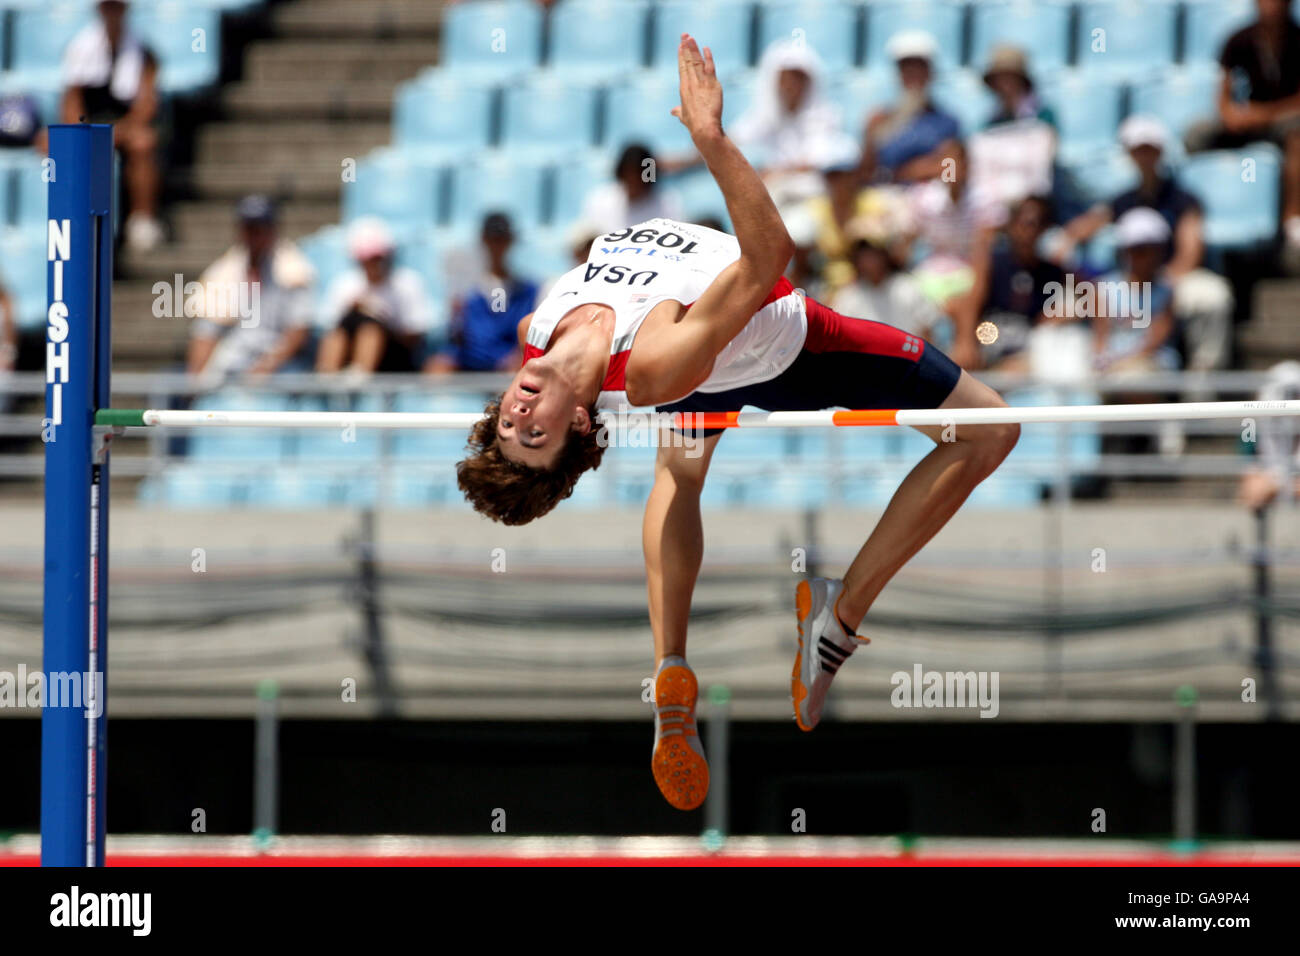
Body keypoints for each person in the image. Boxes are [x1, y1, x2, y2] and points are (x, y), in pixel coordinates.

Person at [455, 36, 1019, 812]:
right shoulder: (649, 366)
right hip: (791, 349)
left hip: (697, 367)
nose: (517, 415)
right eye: (533, 435)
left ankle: (671, 671)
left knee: (680, 468)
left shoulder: (538, 327)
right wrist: (712, 140)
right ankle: (838, 616)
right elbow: (768, 259)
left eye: (506, 425)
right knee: (990, 431)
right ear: (580, 424)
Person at [1061, 116, 1234, 372]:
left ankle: (1203, 379)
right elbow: (1084, 227)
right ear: (1129, 154)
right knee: (1064, 306)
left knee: (1213, 297)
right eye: (1138, 150)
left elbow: (1190, 253)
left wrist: (1159, 287)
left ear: (1161, 151)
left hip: (1173, 280)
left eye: (1149, 149)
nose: (1144, 156)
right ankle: (1084, 381)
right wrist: (1064, 243)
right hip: (1133, 284)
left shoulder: (1184, 199)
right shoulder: (1122, 200)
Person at [1186, 0, 1300, 264]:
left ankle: (1291, 219)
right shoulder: (1239, 39)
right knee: (1194, 135)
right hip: (1247, 121)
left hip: (1282, 119)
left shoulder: (1297, 39)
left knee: (1297, 135)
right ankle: (1195, 217)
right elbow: (1223, 95)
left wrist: (1262, 114)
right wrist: (1231, 115)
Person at [60, 0, 163, 251]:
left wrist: (120, 129)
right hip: (92, 125)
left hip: (125, 125)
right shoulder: (80, 48)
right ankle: (78, 218)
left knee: (143, 143)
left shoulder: (144, 52)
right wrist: (83, 132)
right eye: (108, 7)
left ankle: (142, 219)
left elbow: (147, 103)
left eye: (117, 7)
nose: (112, 13)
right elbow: (72, 102)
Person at [186, 195, 315, 379]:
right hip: (230, 368)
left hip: (280, 371)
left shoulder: (294, 270)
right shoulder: (221, 273)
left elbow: (299, 331)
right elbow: (206, 331)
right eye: (249, 228)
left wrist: (264, 369)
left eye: (260, 228)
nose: (254, 235)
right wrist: (196, 381)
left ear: (272, 231)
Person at [729, 39, 858, 213]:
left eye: (798, 78)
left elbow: (817, 160)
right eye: (786, 78)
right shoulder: (764, 116)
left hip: (812, 195)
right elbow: (732, 141)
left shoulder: (825, 115)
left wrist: (778, 173)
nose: (791, 85)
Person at [316, 218, 433, 377]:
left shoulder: (408, 283)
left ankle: (359, 374)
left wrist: (381, 319)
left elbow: (415, 335)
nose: (373, 264)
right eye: (367, 259)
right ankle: (326, 375)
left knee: (370, 328)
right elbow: (330, 329)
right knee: (341, 331)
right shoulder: (343, 284)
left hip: (395, 358)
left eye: (377, 258)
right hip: (349, 349)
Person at [426, 212, 539, 374]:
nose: (496, 245)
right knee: (438, 366)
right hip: (469, 356)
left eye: (502, 239)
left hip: (506, 360)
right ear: (483, 240)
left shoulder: (526, 290)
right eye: (492, 239)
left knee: (517, 365)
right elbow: (461, 335)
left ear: (510, 242)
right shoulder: (467, 289)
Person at [976, 195, 1070, 371]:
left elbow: (1091, 294)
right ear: (1012, 225)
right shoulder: (991, 264)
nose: (1030, 230)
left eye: (1038, 223)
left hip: (1030, 348)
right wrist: (968, 343)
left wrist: (1069, 312)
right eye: (1025, 222)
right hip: (990, 338)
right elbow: (969, 304)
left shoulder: (1052, 271)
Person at [861, 31, 960, 184]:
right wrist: (869, 140)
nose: (913, 74)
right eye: (906, 68)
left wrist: (916, 172)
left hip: (930, 201)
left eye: (919, 67)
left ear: (930, 72)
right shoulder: (879, 120)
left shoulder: (947, 123)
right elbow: (866, 174)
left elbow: (951, 173)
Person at [829, 220, 944, 342]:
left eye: (873, 251)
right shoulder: (848, 297)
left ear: (885, 254)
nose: (868, 259)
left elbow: (927, 334)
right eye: (862, 253)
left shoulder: (908, 288)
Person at [579, 143, 683, 234]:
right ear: (620, 174)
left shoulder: (667, 203)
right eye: (628, 175)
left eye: (639, 176)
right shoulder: (599, 200)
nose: (633, 181)